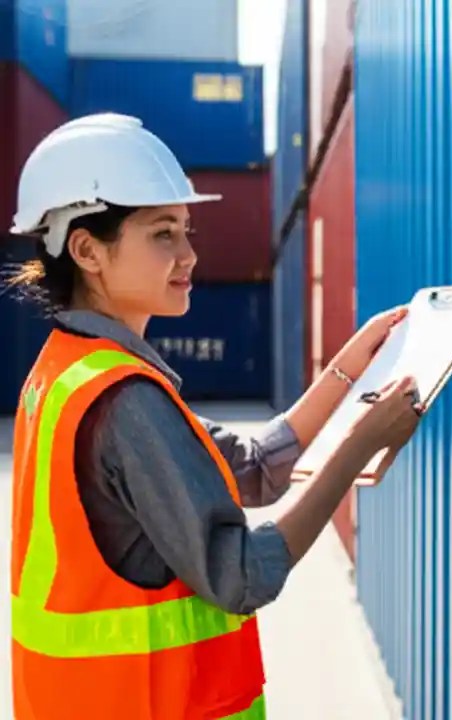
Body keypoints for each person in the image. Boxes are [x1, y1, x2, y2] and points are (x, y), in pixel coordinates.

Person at [4, 113, 424, 719]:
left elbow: (253, 469)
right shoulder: (124, 401)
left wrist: (348, 367)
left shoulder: (66, 371)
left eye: (186, 230)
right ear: (87, 250)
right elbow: (241, 575)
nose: (190, 255)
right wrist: (362, 443)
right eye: (162, 234)